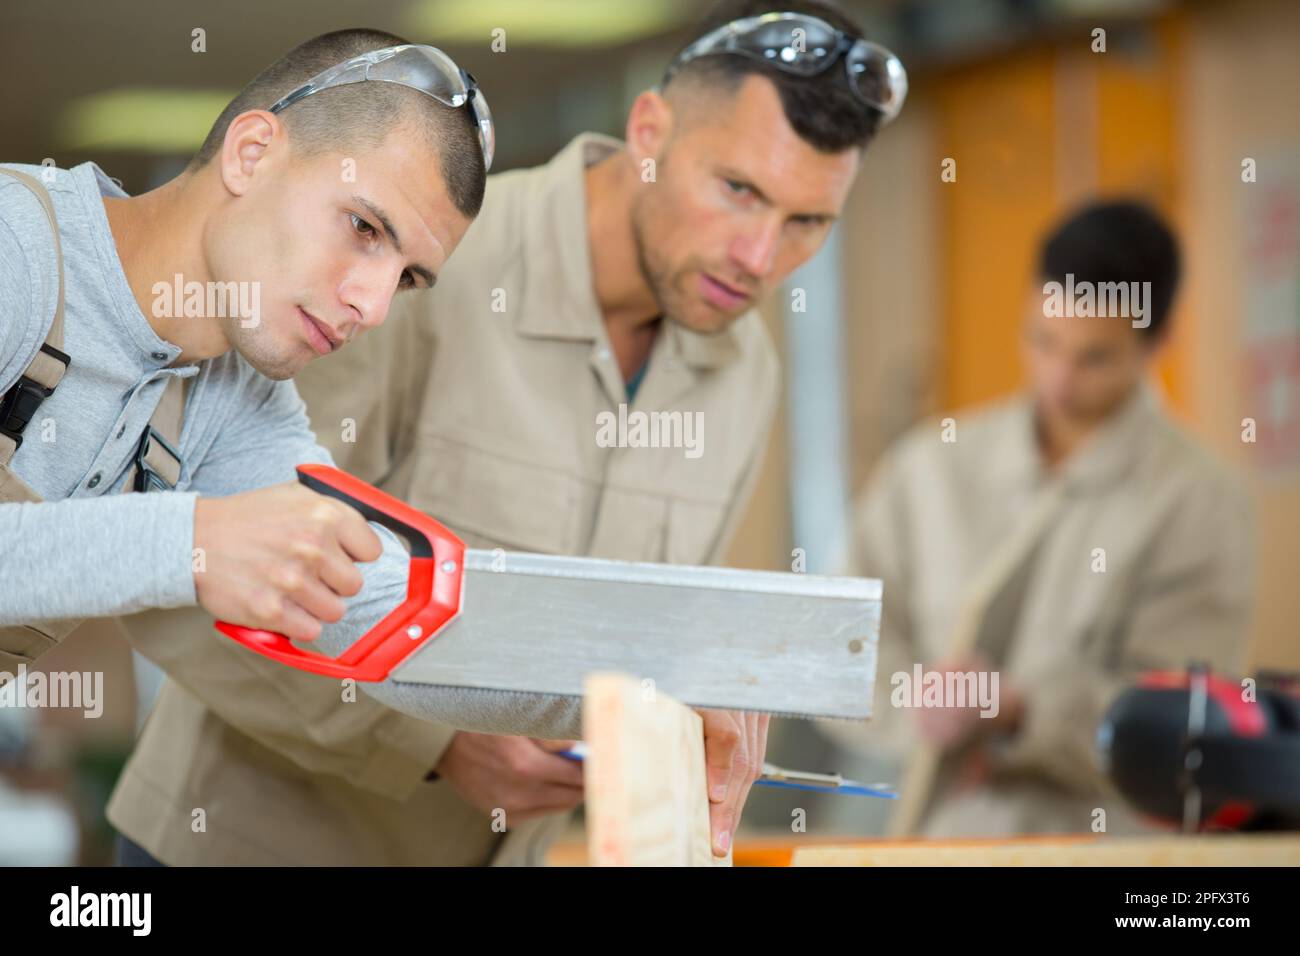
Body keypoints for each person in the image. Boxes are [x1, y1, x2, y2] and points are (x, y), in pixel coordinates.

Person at [106, 1, 909, 865]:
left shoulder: (747, 371)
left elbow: (647, 639)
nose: (758, 256)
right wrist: (434, 744)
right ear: (649, 130)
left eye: (807, 223)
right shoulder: (404, 268)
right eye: (737, 190)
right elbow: (189, 581)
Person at [831, 200, 1254, 837]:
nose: (1058, 380)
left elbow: (1181, 725)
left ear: (1158, 343)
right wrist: (910, 700)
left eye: (1094, 358)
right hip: (924, 841)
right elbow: (836, 637)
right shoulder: (932, 465)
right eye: (1043, 340)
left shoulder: (1200, 501)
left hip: (1099, 853)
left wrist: (1023, 712)